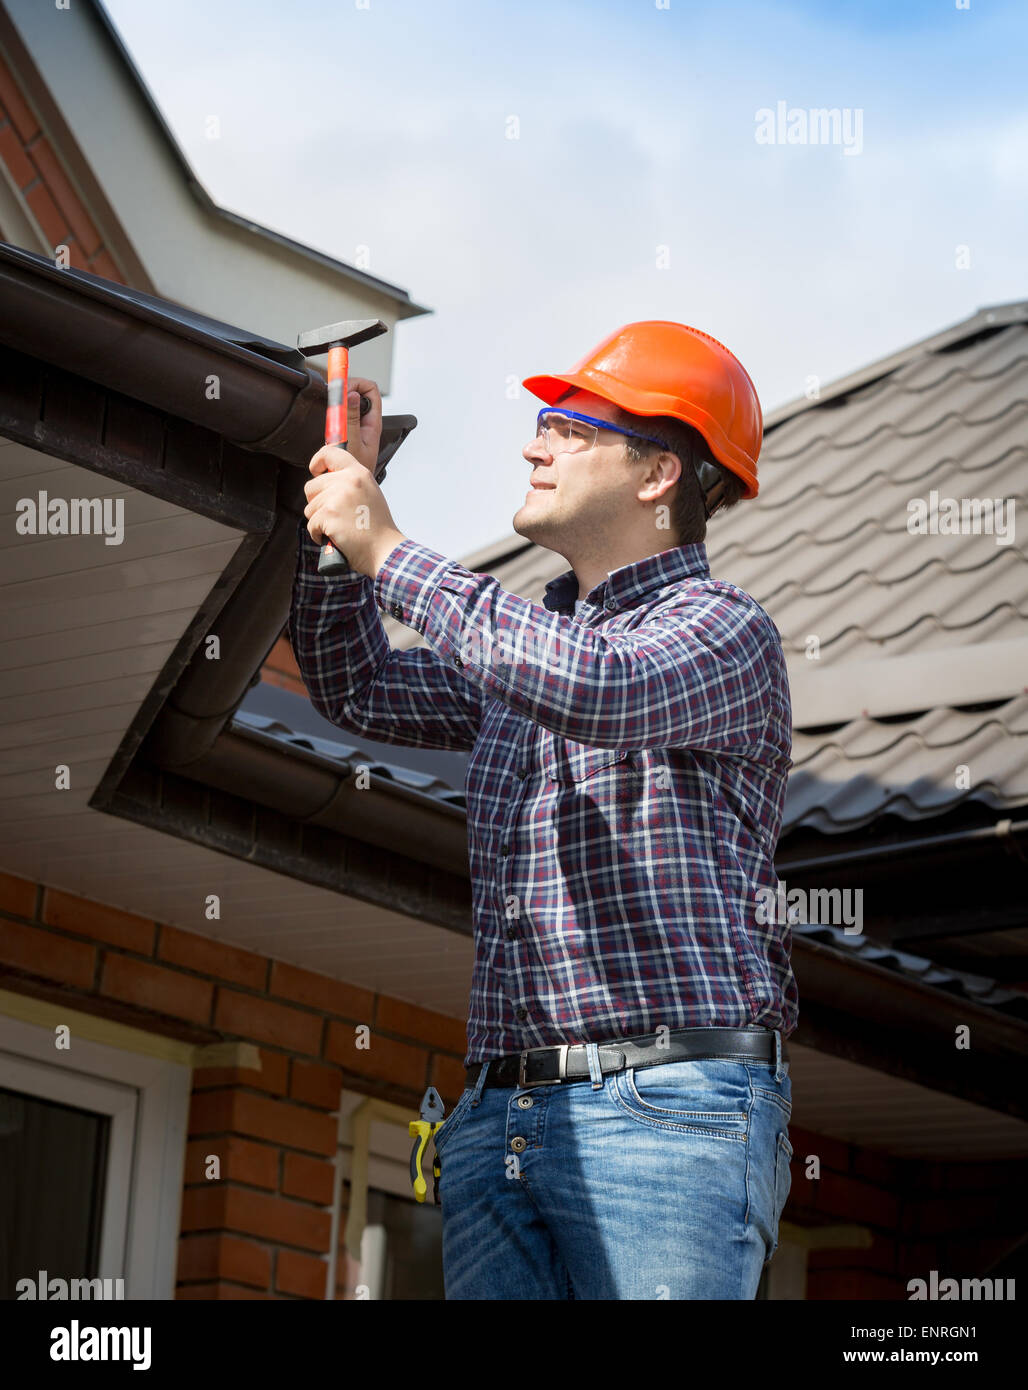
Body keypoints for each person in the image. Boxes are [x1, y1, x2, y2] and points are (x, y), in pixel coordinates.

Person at [291, 320, 796, 1300]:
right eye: (539, 423)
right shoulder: (524, 645)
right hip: (500, 1113)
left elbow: (596, 686)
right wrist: (327, 535)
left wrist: (386, 546)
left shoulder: (722, 631)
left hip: (664, 1102)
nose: (532, 444)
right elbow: (356, 685)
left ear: (657, 474)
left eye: (565, 428)